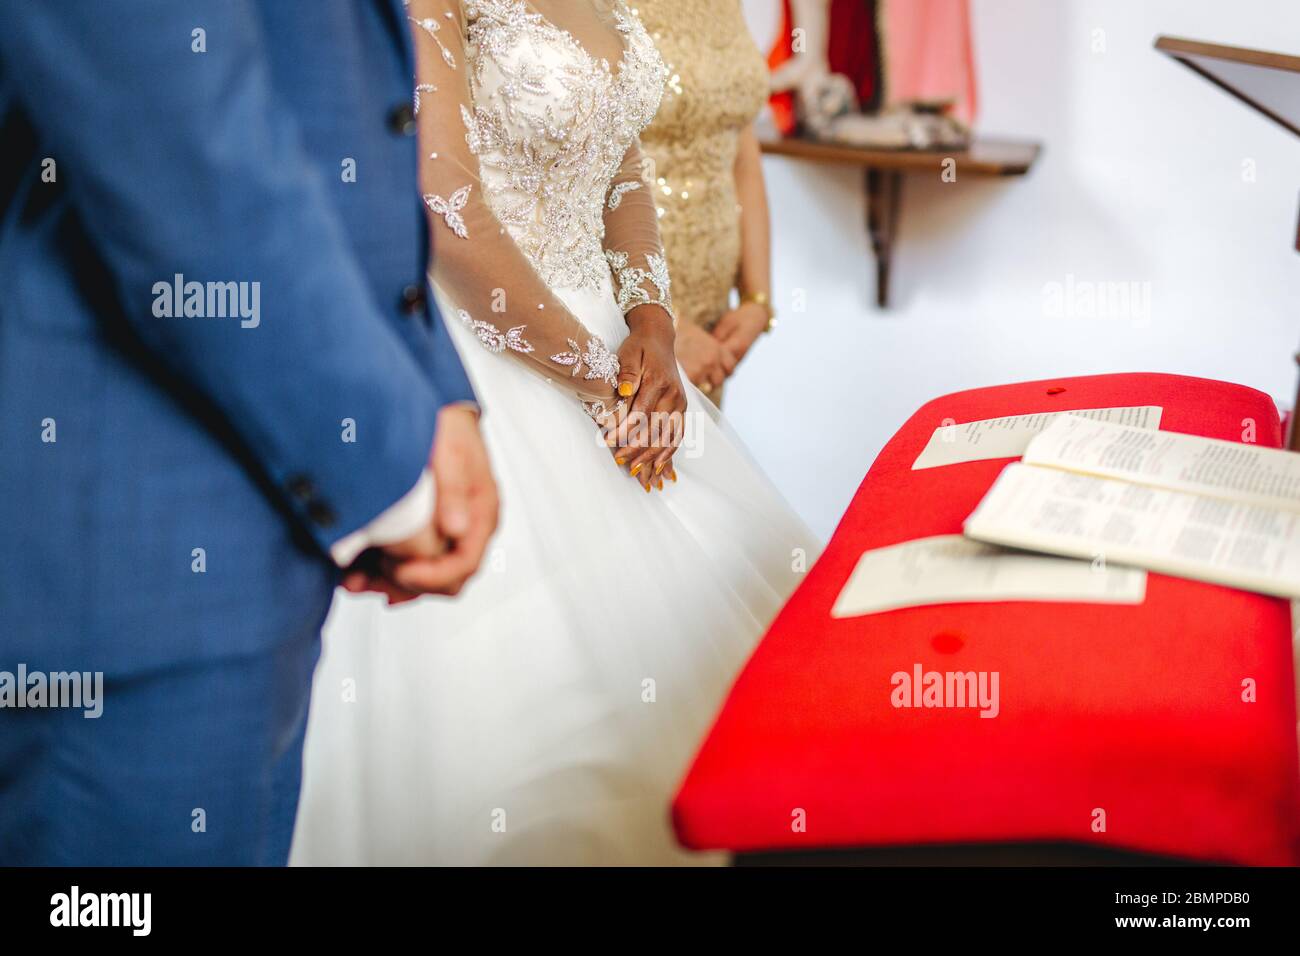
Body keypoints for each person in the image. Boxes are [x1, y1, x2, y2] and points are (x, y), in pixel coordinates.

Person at [291, 0, 817, 866]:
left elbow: (623, 167)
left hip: (617, 341)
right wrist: (600, 376)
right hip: (485, 355)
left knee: (715, 635)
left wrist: (650, 323)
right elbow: (447, 209)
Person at [0, 0, 496, 865]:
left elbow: (340, 125)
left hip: (244, 545)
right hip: (125, 555)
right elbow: (178, 140)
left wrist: (432, 388)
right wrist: (383, 456)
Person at [637, 0, 776, 403]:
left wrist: (757, 299)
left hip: (712, 313)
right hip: (630, 303)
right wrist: (662, 326)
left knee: (697, 440)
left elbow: (741, 149)